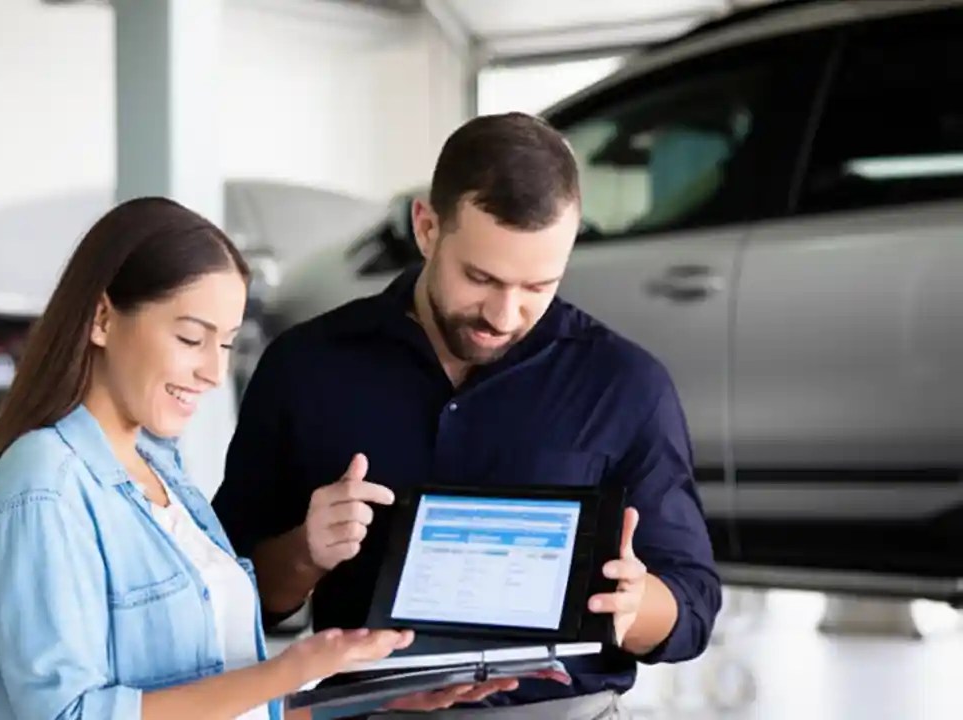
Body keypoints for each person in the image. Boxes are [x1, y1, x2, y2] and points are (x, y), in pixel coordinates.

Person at [212, 113, 722, 718]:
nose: (505, 315)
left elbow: (692, 609)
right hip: (364, 711)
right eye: (480, 278)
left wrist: (637, 605)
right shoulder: (306, 368)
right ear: (426, 227)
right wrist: (306, 551)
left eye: (538, 285)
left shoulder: (627, 386)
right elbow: (226, 599)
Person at [0, 197, 414, 720]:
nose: (213, 373)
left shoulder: (163, 472)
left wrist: (383, 699)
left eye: (224, 345)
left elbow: (224, 706)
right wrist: (285, 670)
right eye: (190, 338)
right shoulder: (44, 487)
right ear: (103, 318)